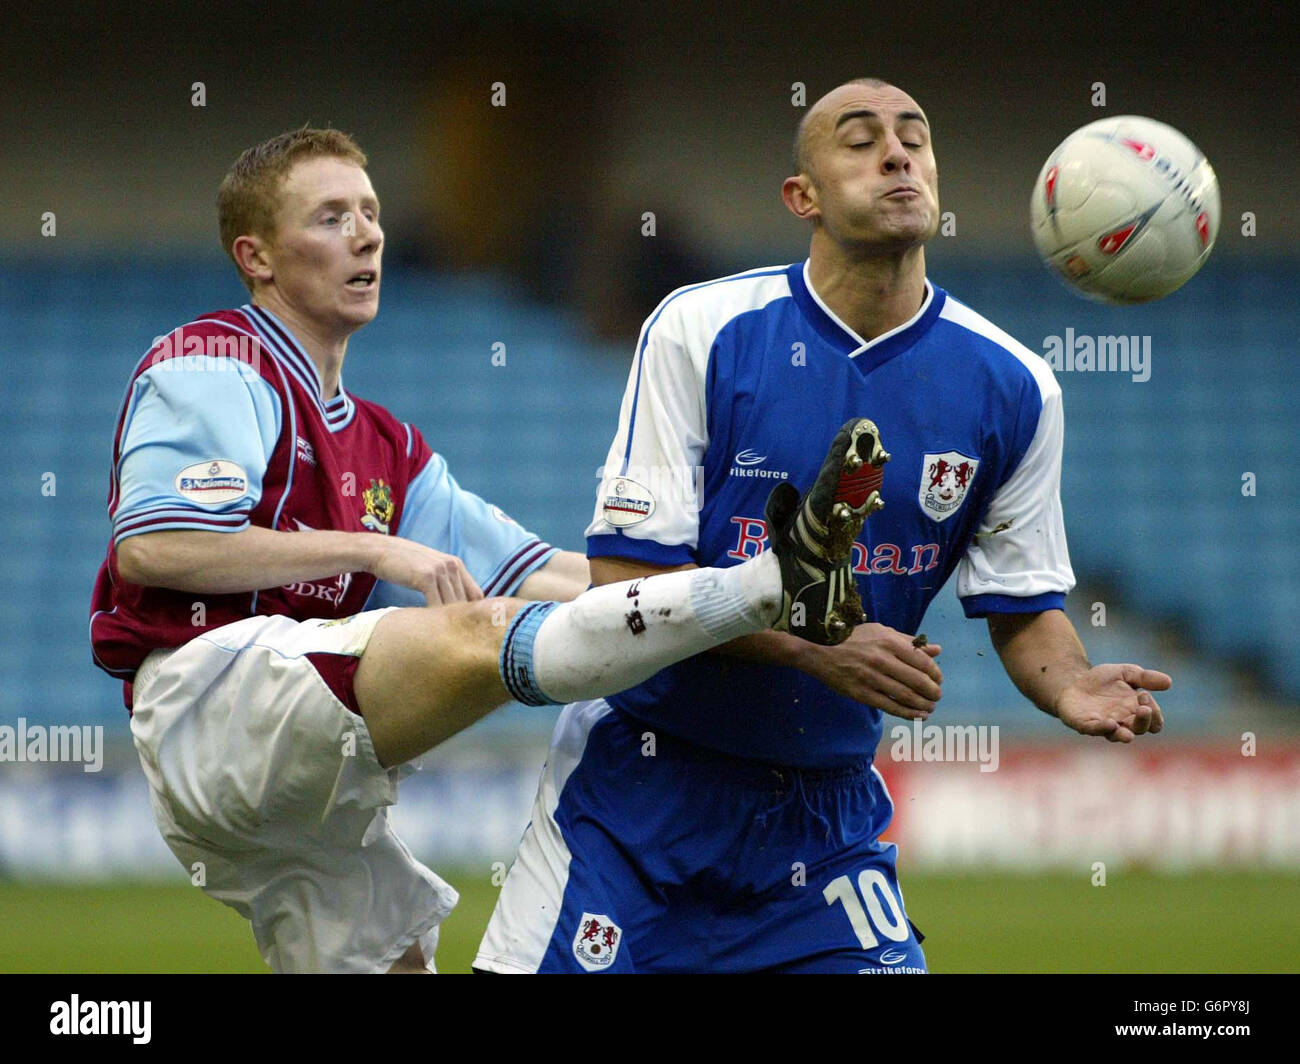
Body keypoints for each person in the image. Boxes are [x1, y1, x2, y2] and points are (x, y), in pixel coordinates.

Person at [87, 128, 881, 974]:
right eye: (330, 218)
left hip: (299, 795)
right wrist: (381, 551)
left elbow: (561, 576)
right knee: (480, 635)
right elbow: (158, 546)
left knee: (400, 960)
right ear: (258, 257)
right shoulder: (215, 361)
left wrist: (743, 614)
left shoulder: (386, 444)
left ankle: (765, 589)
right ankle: (768, 579)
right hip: (211, 704)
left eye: (371, 213)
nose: (366, 235)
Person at [475, 79, 1172, 974]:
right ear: (801, 197)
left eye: (915, 139)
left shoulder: (1016, 385)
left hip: (825, 819)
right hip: (636, 802)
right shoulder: (703, 329)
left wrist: (1071, 684)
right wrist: (812, 649)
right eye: (861, 139)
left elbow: (1020, 608)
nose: (897, 153)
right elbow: (623, 591)